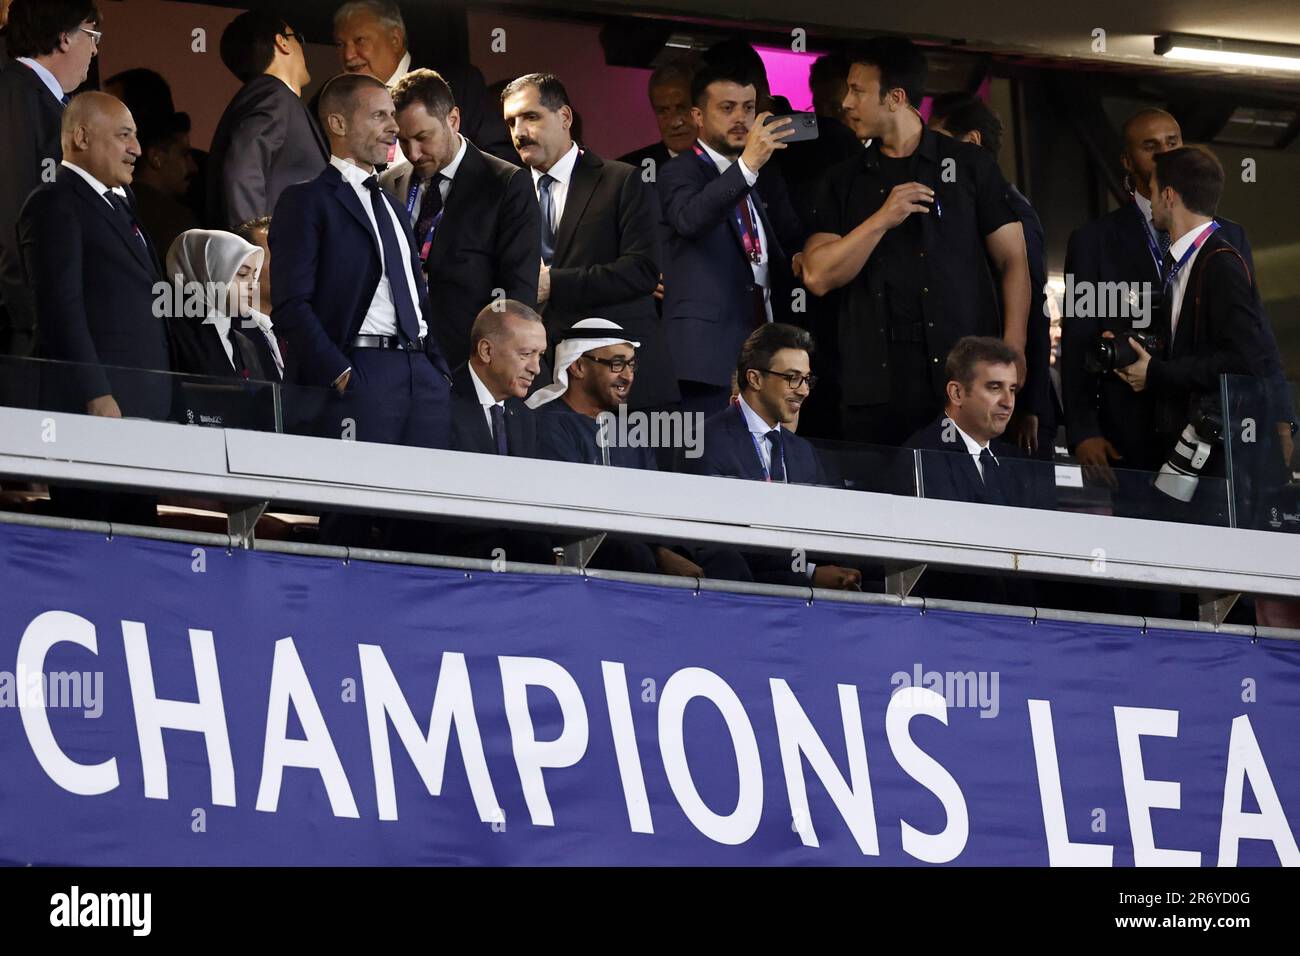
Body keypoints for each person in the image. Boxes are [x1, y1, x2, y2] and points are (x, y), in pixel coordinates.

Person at [801, 37, 1030, 448]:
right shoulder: (841, 180)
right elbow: (817, 276)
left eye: (858, 91)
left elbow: (1014, 261)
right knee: (878, 504)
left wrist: (1013, 349)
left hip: (963, 382)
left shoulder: (969, 166)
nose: (846, 103)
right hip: (874, 387)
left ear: (896, 98)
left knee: (964, 502)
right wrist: (881, 219)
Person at [269, 73, 452, 544]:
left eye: (392, 116)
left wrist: (436, 369)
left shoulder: (393, 204)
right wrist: (342, 373)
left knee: (426, 524)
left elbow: (417, 296)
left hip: (421, 375)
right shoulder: (306, 200)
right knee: (350, 521)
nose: (394, 127)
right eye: (379, 116)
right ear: (337, 123)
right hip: (361, 375)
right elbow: (290, 306)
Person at [1061, 108, 1283, 484]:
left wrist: (1281, 414)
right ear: (1128, 161)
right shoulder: (1094, 241)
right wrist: (1083, 429)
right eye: (1151, 147)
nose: (1164, 154)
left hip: (1210, 429)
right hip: (1131, 429)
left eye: (1172, 142)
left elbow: (1255, 334)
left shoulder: (1228, 237)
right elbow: (1080, 336)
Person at [18, 91, 169, 523]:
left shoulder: (121, 205)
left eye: (136, 137)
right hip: (94, 415)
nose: (137, 149)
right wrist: (95, 394)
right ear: (82, 136)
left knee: (137, 542)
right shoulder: (54, 202)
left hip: (137, 413)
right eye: (124, 135)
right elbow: (58, 310)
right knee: (98, 544)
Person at [502, 72, 679, 412]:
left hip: (623, 380)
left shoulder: (621, 180)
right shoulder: (506, 193)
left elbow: (641, 271)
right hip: (541, 383)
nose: (519, 132)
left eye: (531, 117)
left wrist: (554, 282)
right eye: (511, 122)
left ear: (565, 117)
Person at [1112, 147, 1275, 509]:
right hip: (1178, 444)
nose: (1149, 201)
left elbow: (1244, 361)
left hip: (1211, 458)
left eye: (1153, 191)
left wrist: (1156, 372)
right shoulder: (1190, 260)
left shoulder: (1220, 264)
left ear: (1169, 196)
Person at [658, 62, 806, 418]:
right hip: (704, 357)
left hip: (760, 352)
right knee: (701, 462)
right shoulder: (678, 170)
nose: (741, 118)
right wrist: (748, 166)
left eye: (748, 108)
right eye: (727, 108)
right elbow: (690, 219)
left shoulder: (759, 175)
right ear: (698, 116)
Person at [684, 323, 862, 590]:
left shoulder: (804, 453)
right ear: (754, 378)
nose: (804, 391)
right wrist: (809, 572)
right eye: (792, 378)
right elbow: (716, 544)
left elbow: (827, 528)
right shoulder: (705, 441)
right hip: (742, 586)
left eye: (807, 379)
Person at [381, 68, 538, 367]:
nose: (413, 153)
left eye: (422, 137)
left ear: (453, 120)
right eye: (402, 140)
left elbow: (517, 294)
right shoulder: (387, 185)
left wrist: (490, 366)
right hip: (398, 360)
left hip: (469, 364)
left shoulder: (505, 184)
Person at [929, 91, 1057, 458]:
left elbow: (1034, 304)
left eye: (938, 140)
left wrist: (1029, 401)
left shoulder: (1011, 209)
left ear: (970, 143)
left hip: (1006, 400)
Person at [529, 318, 702, 578]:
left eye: (631, 365)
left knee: (721, 560)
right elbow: (572, 513)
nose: (628, 376)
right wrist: (656, 554)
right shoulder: (546, 423)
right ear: (577, 366)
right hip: (575, 555)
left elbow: (653, 506)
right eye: (616, 364)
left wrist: (663, 551)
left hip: (634, 549)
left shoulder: (631, 433)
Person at [0, 0, 100, 401]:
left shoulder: (39, 99)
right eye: (93, 37)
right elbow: (14, 212)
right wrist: (33, 324)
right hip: (22, 335)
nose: (95, 51)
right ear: (65, 36)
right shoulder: (17, 96)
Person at [330, 0, 512, 163]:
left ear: (395, 39)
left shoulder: (459, 84)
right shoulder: (333, 103)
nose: (348, 55)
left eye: (359, 40)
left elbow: (500, 157)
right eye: (340, 44)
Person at [207, 10, 326, 230]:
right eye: (297, 38)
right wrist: (257, 244)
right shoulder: (273, 95)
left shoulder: (262, 96)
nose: (302, 47)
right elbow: (242, 167)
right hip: (278, 256)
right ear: (282, 42)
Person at [904, 336, 1041, 509]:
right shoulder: (922, 457)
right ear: (957, 394)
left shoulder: (1016, 461)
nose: (1008, 402)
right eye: (995, 388)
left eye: (1012, 390)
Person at [164, 229, 273, 382]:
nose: (253, 286)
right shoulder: (172, 331)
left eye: (254, 276)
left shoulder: (248, 333)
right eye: (242, 274)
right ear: (206, 270)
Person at [129, 109, 198, 259]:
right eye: (184, 154)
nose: (193, 167)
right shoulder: (176, 222)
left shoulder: (117, 207)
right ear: (156, 157)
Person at [617, 59, 697, 176]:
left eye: (681, 108)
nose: (674, 123)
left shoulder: (730, 165)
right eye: (663, 111)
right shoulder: (626, 174)